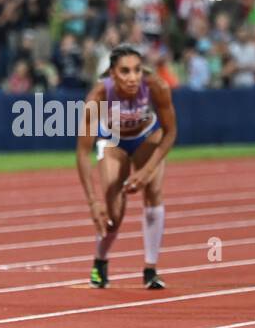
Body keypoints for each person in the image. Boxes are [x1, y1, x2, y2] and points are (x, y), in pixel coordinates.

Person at [76, 44, 178, 290]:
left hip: (147, 136)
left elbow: (170, 132)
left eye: (136, 71)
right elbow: (82, 153)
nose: (133, 78)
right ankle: (100, 262)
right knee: (114, 213)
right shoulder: (98, 97)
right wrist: (92, 202)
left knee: (153, 190)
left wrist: (146, 171)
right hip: (113, 140)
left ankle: (150, 269)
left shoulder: (157, 86)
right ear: (112, 74)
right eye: (125, 72)